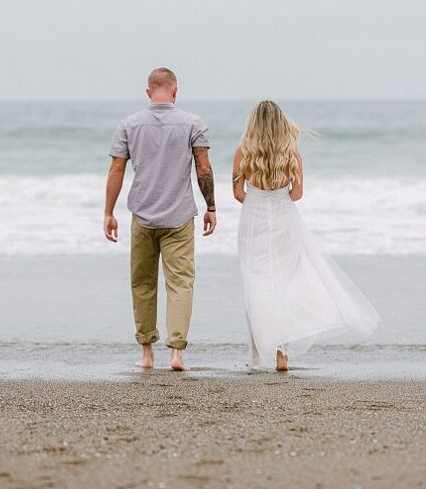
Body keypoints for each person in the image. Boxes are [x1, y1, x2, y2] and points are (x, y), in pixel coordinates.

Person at [232, 100, 380, 371]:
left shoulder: (243, 152)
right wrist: (278, 199)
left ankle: (255, 355)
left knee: (255, 284)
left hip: (253, 220)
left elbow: (238, 193)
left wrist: (258, 200)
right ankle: (282, 351)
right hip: (284, 218)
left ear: (253, 124)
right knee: (285, 282)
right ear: (281, 123)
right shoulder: (291, 154)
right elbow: (297, 194)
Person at [104, 67, 216, 371]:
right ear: (175, 91)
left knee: (142, 283)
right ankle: (177, 354)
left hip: (143, 215)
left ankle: (147, 353)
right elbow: (203, 168)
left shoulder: (129, 124)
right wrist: (211, 207)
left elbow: (116, 170)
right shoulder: (193, 123)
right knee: (180, 284)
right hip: (179, 216)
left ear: (148, 92)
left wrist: (109, 212)